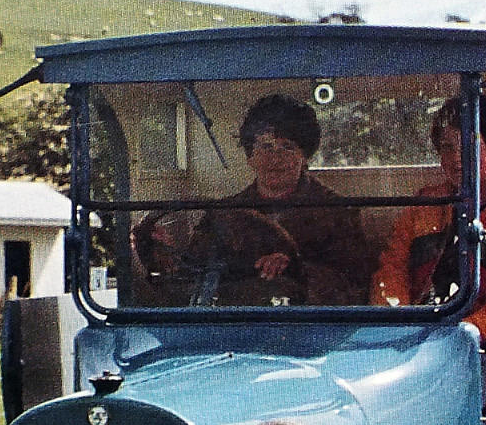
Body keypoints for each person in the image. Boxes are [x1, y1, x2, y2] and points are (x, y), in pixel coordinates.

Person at [133, 93, 374, 305]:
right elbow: (196, 277)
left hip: (309, 329)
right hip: (235, 329)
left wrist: (295, 268)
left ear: (305, 156)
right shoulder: (223, 214)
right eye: (265, 147)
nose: (275, 159)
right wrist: (165, 252)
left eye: (287, 147)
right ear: (250, 157)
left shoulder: (337, 211)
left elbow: (355, 284)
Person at [371, 94, 486, 356]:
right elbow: (391, 271)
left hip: (478, 347)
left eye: (469, 146)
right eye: (446, 147)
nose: (457, 158)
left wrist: (462, 333)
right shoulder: (424, 204)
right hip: (411, 340)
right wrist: (398, 322)